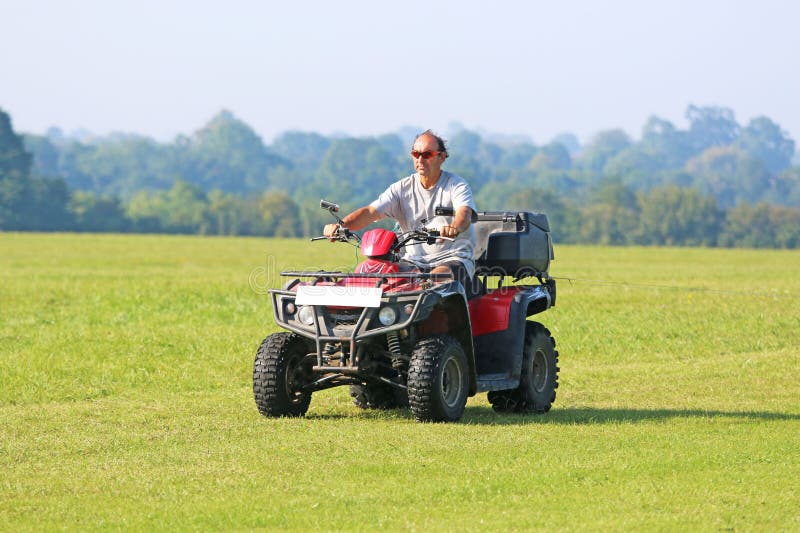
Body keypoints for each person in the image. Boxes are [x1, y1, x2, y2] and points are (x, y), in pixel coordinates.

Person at [323, 129, 478, 291]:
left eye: (427, 154)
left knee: (430, 284)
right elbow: (370, 212)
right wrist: (341, 226)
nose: (420, 159)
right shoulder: (401, 188)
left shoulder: (456, 185)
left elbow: (464, 214)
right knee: (381, 285)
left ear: (442, 157)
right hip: (412, 262)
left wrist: (454, 227)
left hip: (452, 260)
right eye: (416, 154)